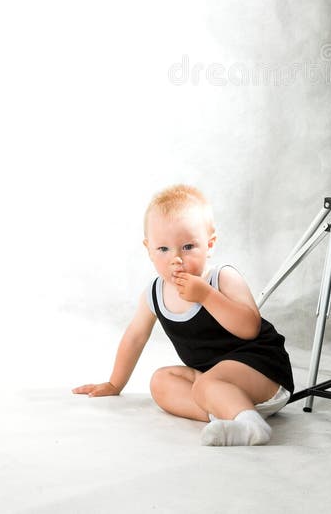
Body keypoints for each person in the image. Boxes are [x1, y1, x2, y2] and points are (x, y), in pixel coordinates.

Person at [73, 184, 294, 446]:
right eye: (163, 249)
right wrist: (114, 384)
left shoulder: (221, 278)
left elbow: (249, 328)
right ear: (148, 249)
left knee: (205, 385)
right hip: (214, 379)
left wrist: (206, 296)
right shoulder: (154, 293)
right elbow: (135, 337)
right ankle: (232, 413)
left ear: (209, 244)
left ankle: (252, 427)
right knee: (161, 382)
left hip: (262, 371)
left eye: (188, 246)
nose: (176, 258)